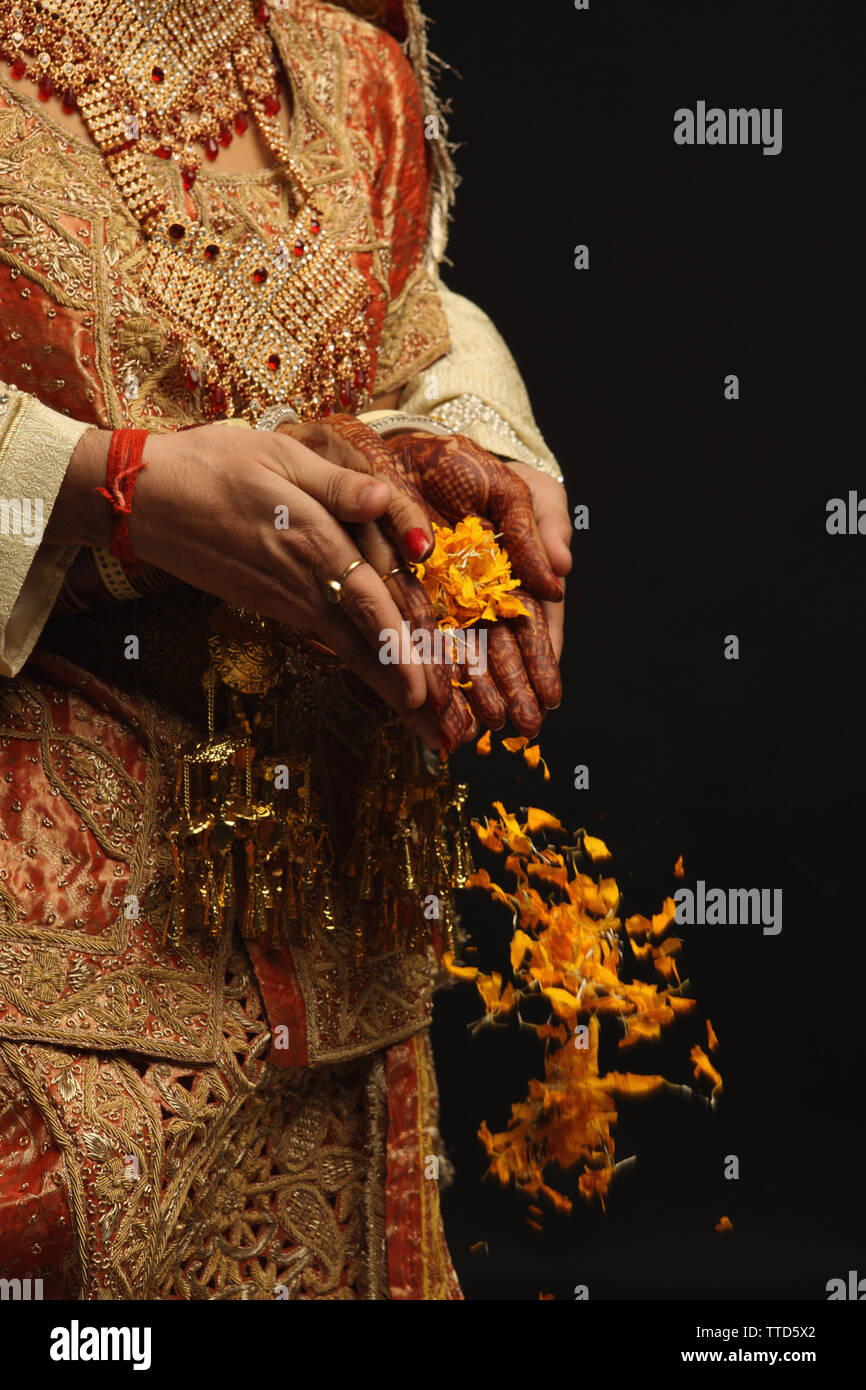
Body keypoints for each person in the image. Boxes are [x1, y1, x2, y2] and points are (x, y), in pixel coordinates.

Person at [0, 0, 570, 1299]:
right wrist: (100, 485)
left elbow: (408, 311)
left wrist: (465, 450)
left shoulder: (341, 57)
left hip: (333, 973)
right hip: (36, 1014)